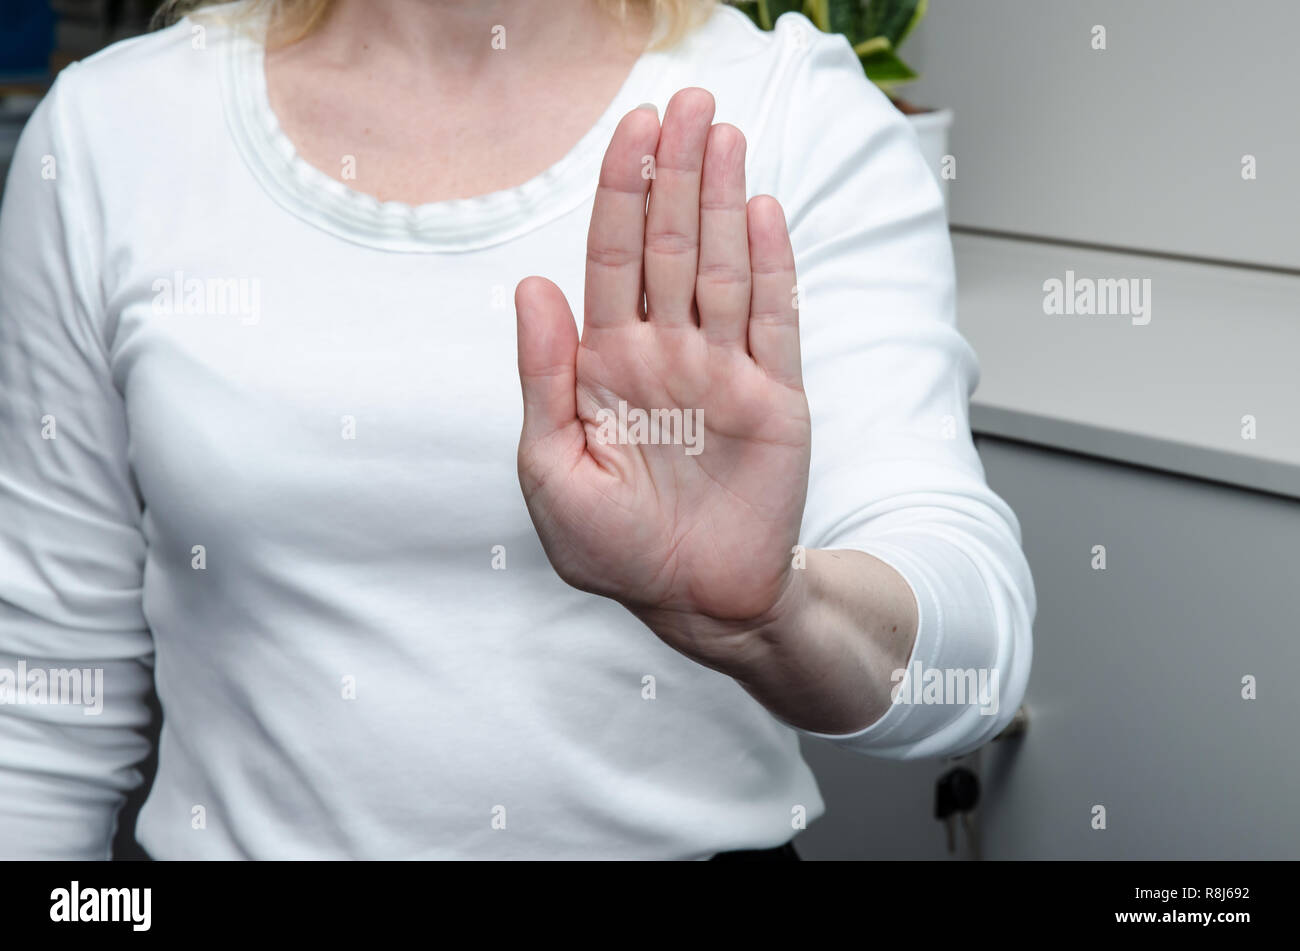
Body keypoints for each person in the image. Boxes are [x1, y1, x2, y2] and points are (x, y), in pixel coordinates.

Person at [0, 0, 1034, 859]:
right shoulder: (112, 131)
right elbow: (42, 697)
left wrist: (769, 613)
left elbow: (972, 657)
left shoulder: (789, 116)